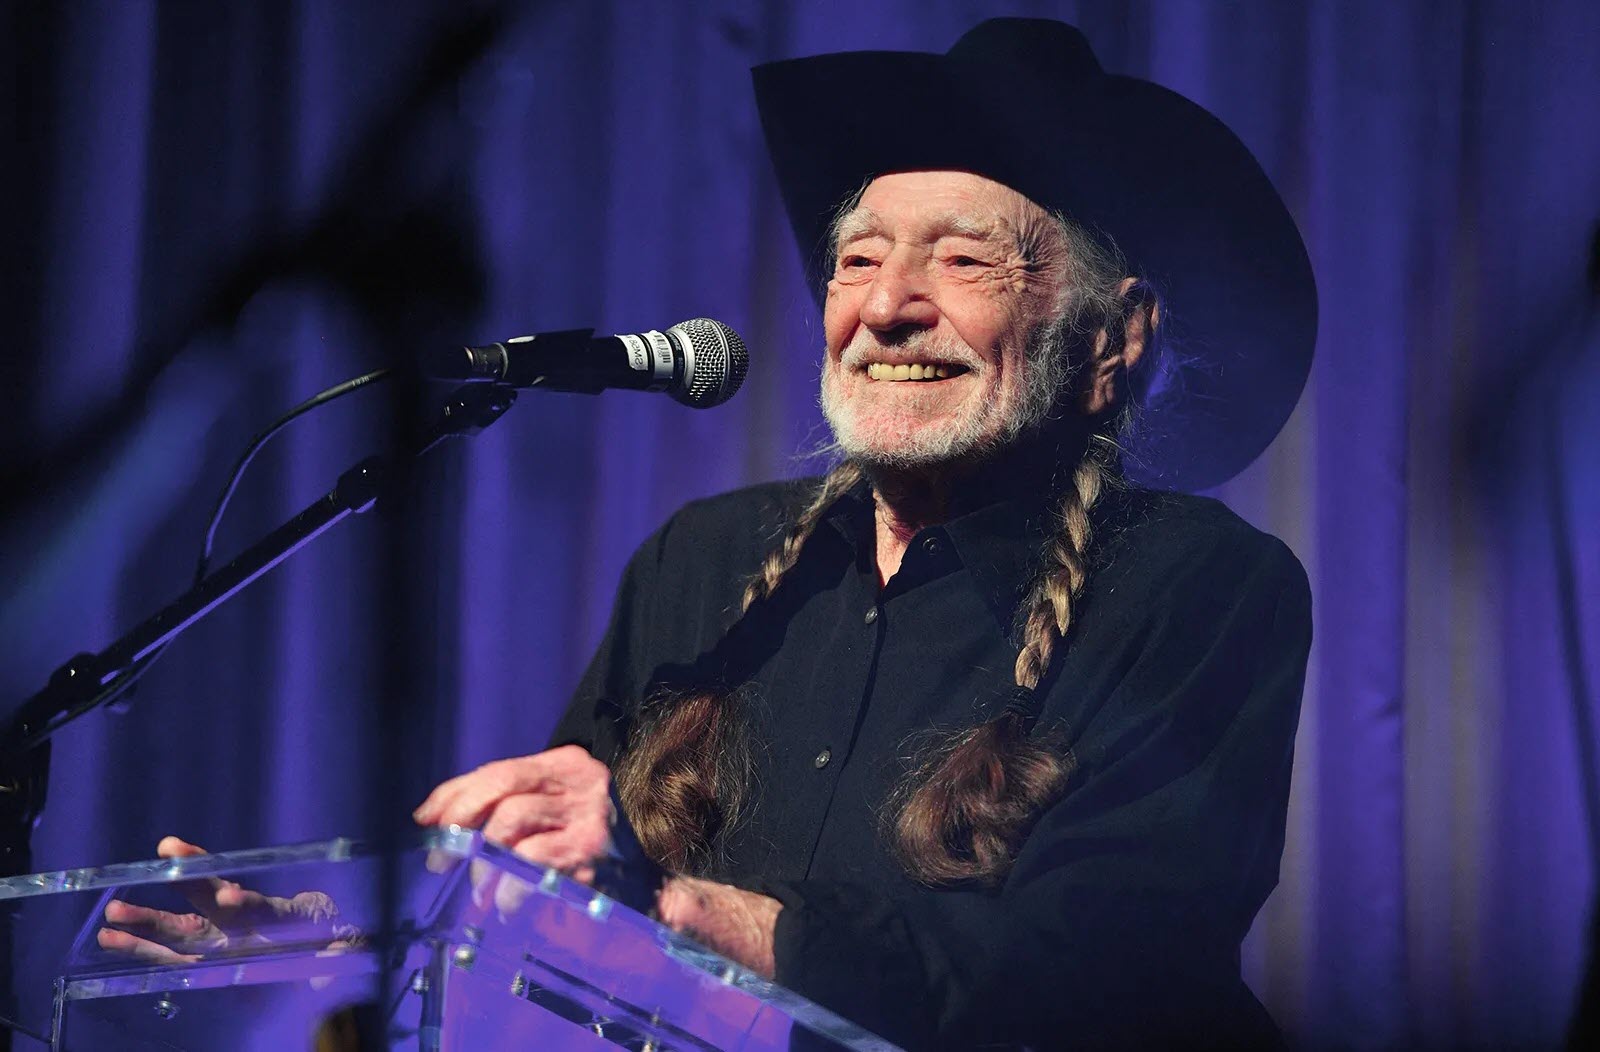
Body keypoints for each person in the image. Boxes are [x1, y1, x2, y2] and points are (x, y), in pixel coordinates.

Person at [127, 19, 1317, 1050]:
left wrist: (683, 913)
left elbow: (1104, 966)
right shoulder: (701, 561)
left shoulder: (1199, 582)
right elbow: (553, 897)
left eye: (962, 258)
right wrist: (331, 934)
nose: (885, 304)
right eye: (857, 258)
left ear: (1111, 338)